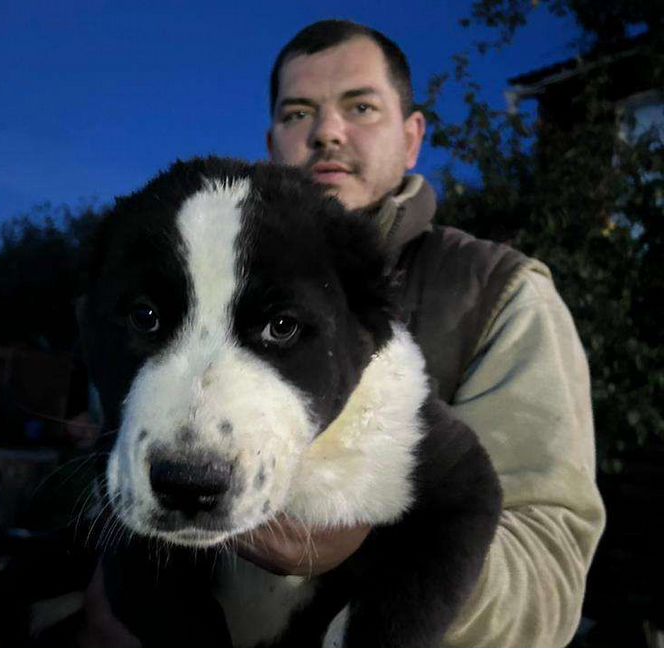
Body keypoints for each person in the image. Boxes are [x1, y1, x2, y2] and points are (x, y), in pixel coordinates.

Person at [233, 19, 606, 648]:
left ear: (412, 138)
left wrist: (368, 551)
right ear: (272, 144)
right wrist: (90, 604)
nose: (326, 131)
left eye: (361, 106)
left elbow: (547, 574)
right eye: (298, 112)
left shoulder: (499, 295)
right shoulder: (209, 282)